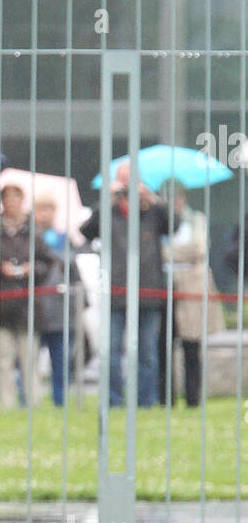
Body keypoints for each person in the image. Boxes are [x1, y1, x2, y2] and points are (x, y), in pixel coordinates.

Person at [80, 162, 177, 407]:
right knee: (110, 351)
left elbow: (175, 225)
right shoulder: (108, 212)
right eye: (122, 180)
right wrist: (108, 200)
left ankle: (145, 401)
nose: (126, 187)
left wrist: (152, 198)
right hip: (115, 293)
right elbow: (86, 232)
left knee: (146, 351)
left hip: (148, 292)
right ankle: (113, 400)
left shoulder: (153, 213)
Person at [0, 184, 54, 408]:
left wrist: (31, 269)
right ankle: (6, 404)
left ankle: (33, 401)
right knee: (4, 360)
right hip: (0, 305)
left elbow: (47, 263)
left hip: (28, 306)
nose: (11, 203)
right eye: (7, 199)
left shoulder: (34, 231)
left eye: (15, 199)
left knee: (30, 358)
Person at [158, 184, 224, 407]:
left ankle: (193, 398)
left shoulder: (196, 219)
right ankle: (166, 399)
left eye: (178, 197)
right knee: (163, 345)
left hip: (192, 288)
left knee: (192, 346)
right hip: (165, 286)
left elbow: (198, 248)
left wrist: (168, 254)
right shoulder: (159, 221)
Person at [33, 195, 82, 407]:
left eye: (48, 209)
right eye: (40, 209)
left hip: (61, 310)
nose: (45, 214)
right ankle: (28, 399)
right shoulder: (29, 238)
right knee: (29, 360)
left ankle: (60, 401)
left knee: (61, 361)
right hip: (35, 310)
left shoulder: (64, 239)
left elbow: (74, 272)